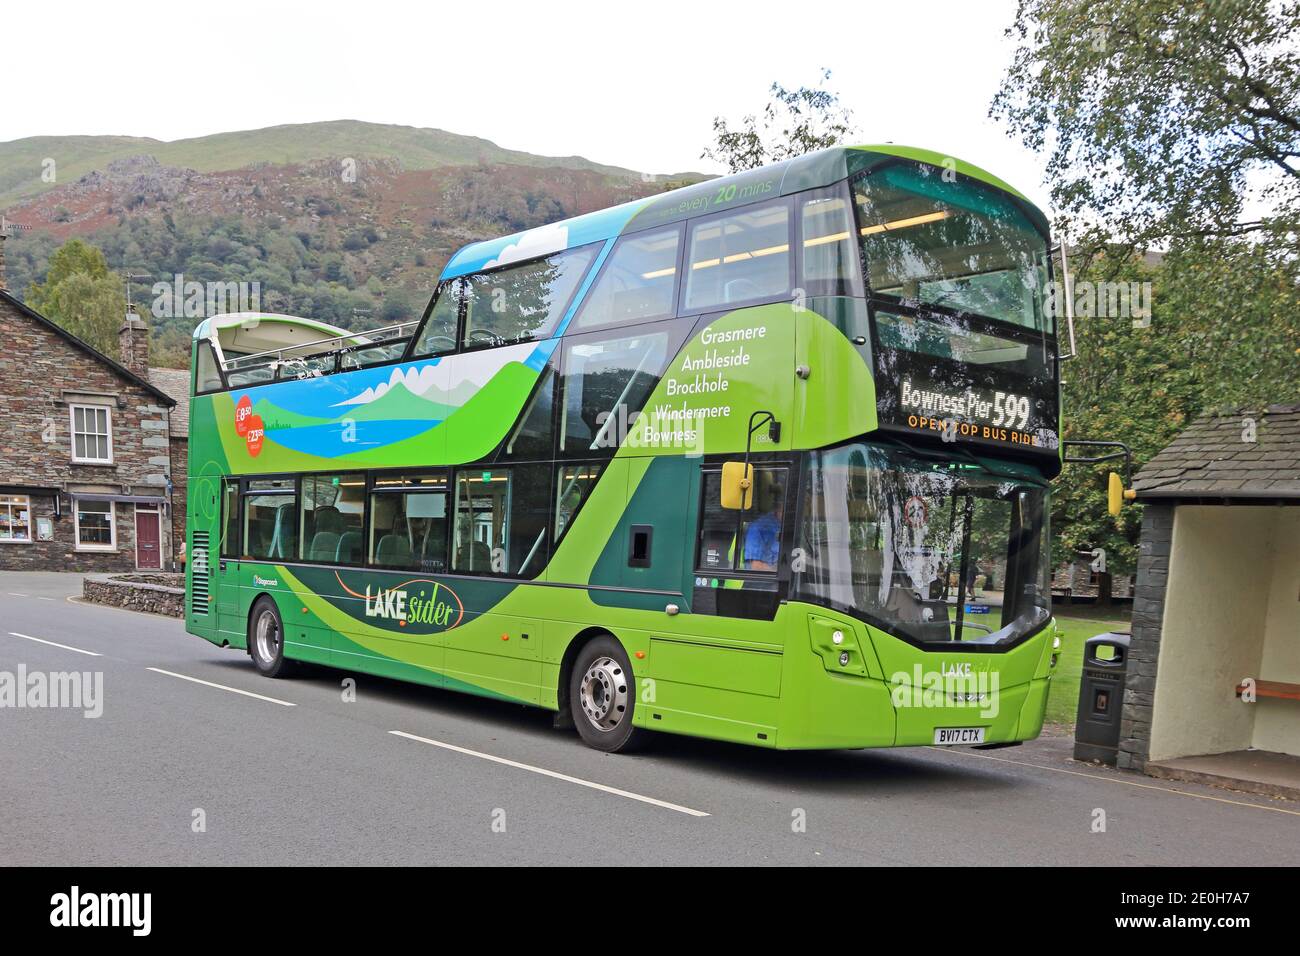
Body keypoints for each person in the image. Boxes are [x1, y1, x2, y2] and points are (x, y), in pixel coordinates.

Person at [742, 477, 784, 571]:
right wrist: (780, 573)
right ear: (781, 504)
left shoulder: (788, 525)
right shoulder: (759, 528)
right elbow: (756, 566)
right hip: (762, 584)